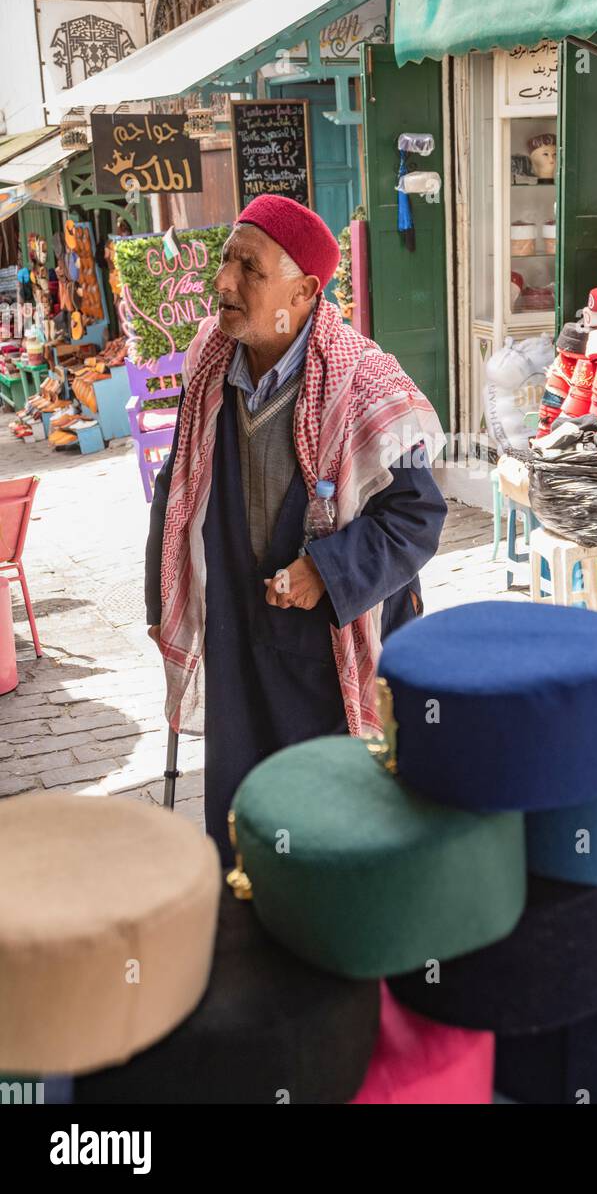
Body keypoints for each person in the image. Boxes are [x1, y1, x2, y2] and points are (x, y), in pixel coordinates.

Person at [145, 194, 447, 863]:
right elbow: (178, 485)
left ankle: (338, 946)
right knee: (243, 816)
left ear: (304, 291)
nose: (223, 280)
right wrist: (163, 595)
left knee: (332, 819)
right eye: (226, 258)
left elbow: (417, 516)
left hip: (327, 646)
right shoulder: (210, 365)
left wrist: (326, 569)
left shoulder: (364, 383)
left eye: (249, 268)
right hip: (235, 631)